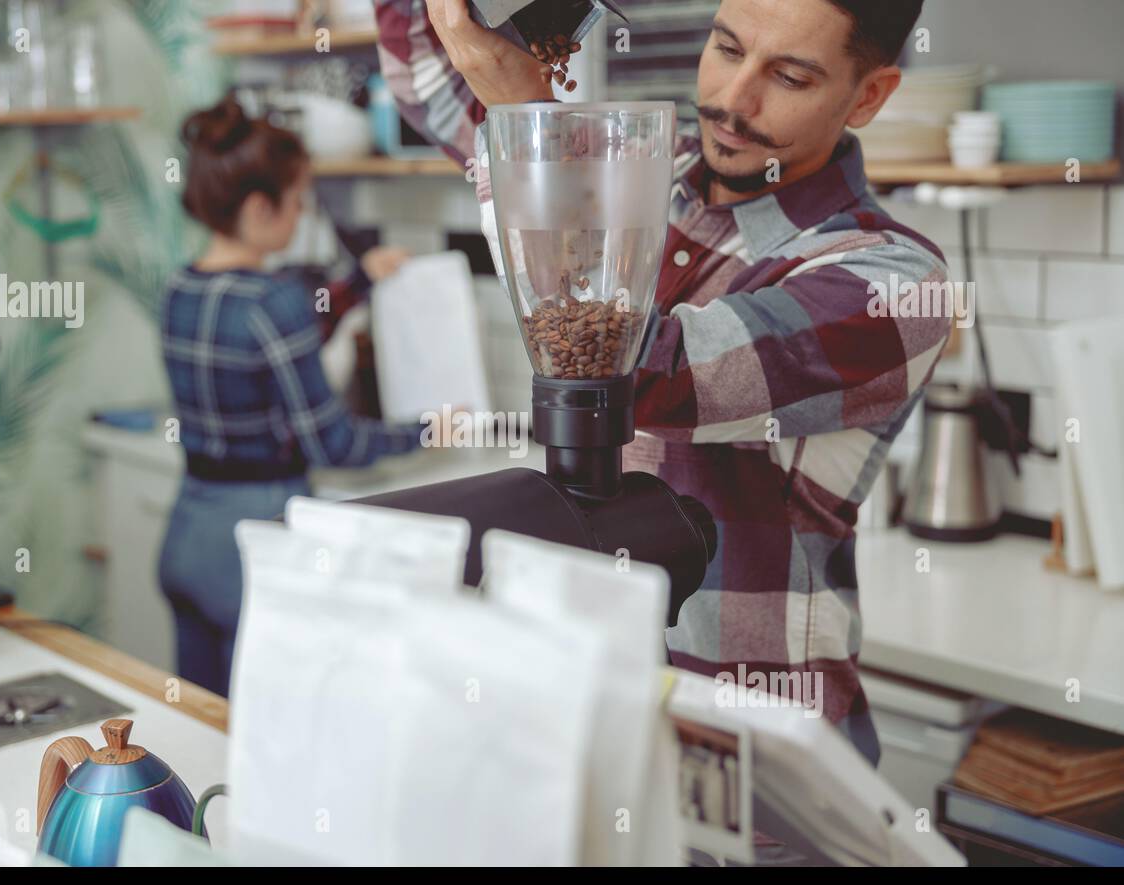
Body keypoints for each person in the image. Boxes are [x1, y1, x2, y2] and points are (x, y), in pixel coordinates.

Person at [375, 0, 952, 769]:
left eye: (788, 76)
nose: (733, 101)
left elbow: (633, 366)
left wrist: (528, 120)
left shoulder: (895, 282)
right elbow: (431, 84)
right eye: (726, 47)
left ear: (869, 95)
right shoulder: (645, 166)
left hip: (757, 777)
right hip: (595, 738)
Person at [158, 95, 425, 696]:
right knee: (258, 744)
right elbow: (335, 442)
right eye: (298, 201)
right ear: (259, 208)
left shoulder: (178, 288)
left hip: (189, 540)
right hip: (255, 547)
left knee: (198, 728)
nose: (303, 214)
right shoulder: (271, 301)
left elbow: (276, 344)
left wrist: (357, 283)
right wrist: (428, 430)